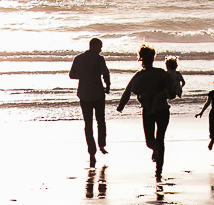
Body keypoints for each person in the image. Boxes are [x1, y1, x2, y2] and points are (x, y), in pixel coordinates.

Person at [116, 45, 175, 177]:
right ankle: (158, 163)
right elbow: (171, 92)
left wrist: (121, 106)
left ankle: (157, 162)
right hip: (158, 110)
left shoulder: (144, 75)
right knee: (158, 140)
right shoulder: (156, 73)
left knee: (154, 140)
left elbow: (127, 92)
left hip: (153, 111)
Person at [68, 37, 111, 165]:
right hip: (98, 94)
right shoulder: (99, 59)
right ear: (94, 46)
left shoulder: (78, 58)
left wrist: (83, 76)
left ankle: (91, 151)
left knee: (88, 123)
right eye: (100, 46)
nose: (101, 49)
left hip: (84, 94)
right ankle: (101, 145)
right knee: (100, 120)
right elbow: (105, 73)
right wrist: (107, 85)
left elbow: (72, 75)